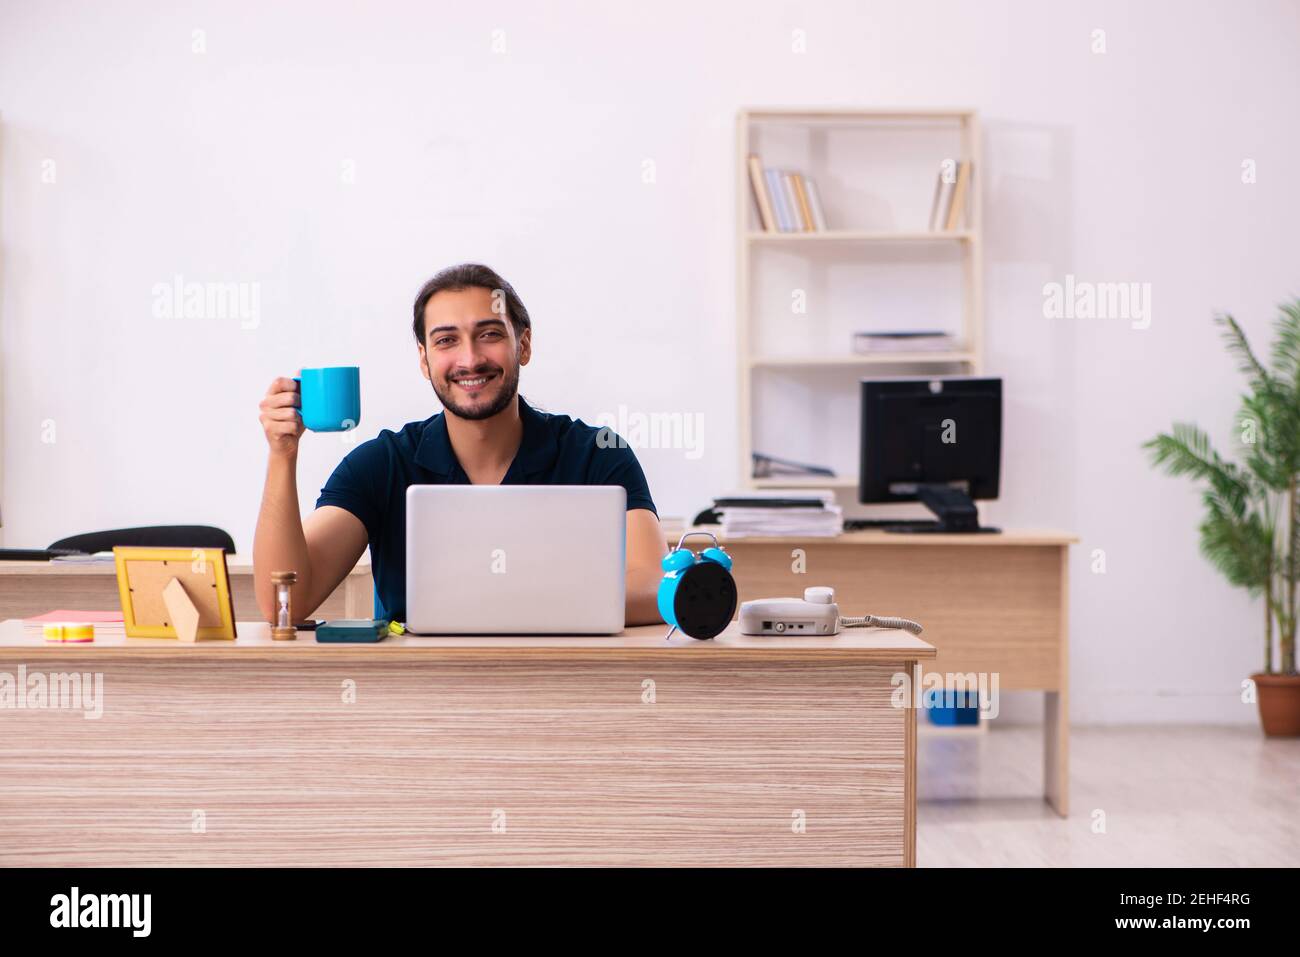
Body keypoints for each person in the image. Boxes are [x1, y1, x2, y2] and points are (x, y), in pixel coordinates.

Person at [252, 263, 666, 625]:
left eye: (489, 334)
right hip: (418, 699)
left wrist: (505, 605)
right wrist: (282, 456)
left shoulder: (597, 452)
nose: (470, 359)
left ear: (523, 345)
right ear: (424, 359)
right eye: (446, 340)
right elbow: (282, 604)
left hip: (560, 693)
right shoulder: (382, 463)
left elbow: (654, 586)